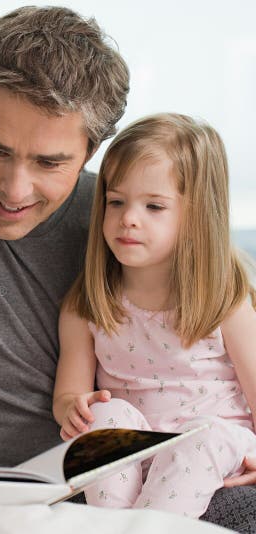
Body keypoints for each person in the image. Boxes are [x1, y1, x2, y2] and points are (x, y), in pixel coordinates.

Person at [0, 4, 256, 528]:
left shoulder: (122, 219)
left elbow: (224, 298)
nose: (14, 189)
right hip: (54, 482)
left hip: (191, 466)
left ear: (93, 150)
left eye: (49, 162)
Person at [52, 113, 256, 517]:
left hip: (209, 446)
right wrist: (75, 408)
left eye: (154, 206)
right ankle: (115, 525)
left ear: (196, 217)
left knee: (205, 437)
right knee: (105, 414)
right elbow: (67, 395)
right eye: (116, 201)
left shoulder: (225, 299)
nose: (129, 217)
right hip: (135, 449)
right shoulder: (86, 304)